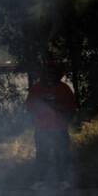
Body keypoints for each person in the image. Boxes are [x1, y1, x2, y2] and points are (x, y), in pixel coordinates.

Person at [24, 57, 77, 185]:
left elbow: (71, 108)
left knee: (62, 155)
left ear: (58, 73)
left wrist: (58, 110)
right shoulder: (36, 89)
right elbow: (29, 108)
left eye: (53, 72)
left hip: (60, 128)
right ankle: (40, 181)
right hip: (42, 129)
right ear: (43, 74)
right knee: (42, 155)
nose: (50, 74)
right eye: (47, 72)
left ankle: (64, 181)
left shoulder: (64, 89)